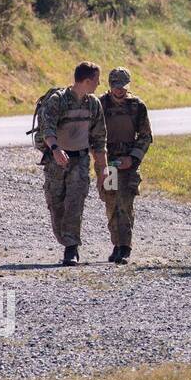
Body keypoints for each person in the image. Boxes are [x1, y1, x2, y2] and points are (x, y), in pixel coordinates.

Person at [37, 62, 108, 265]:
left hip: (80, 160)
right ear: (86, 81)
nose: (99, 84)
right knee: (56, 203)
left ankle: (71, 249)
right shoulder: (57, 101)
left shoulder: (93, 104)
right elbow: (46, 129)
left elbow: (99, 138)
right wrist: (56, 150)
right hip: (56, 160)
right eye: (96, 80)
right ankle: (64, 238)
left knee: (75, 203)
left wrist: (103, 169)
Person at [99, 67, 152, 264]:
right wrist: (101, 160)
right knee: (112, 203)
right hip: (109, 162)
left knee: (125, 204)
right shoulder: (101, 104)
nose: (119, 91)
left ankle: (126, 246)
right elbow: (93, 134)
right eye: (115, 86)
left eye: (122, 87)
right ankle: (117, 244)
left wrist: (133, 158)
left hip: (128, 163)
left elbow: (146, 136)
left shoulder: (137, 106)